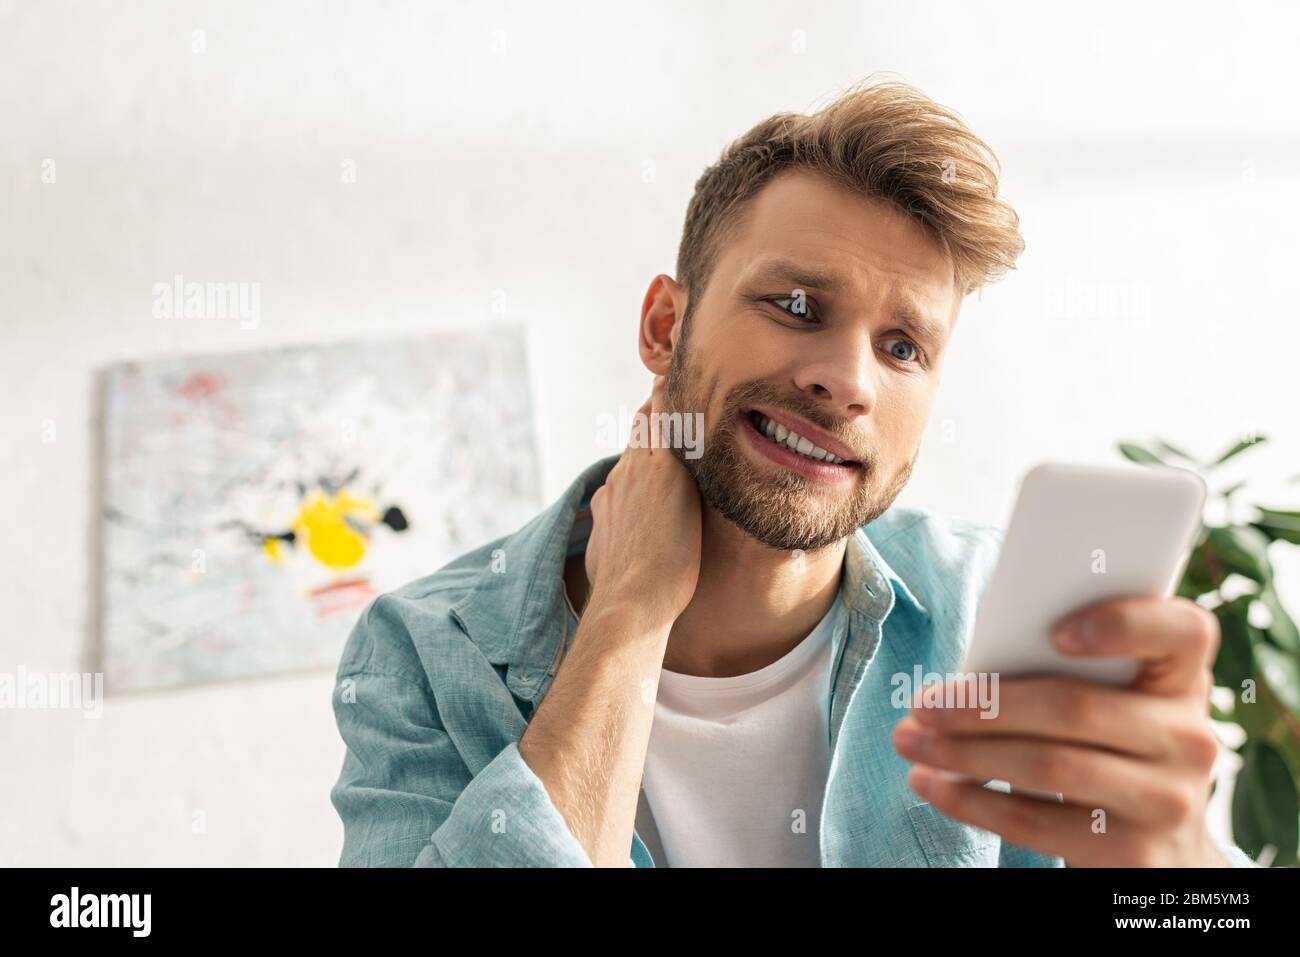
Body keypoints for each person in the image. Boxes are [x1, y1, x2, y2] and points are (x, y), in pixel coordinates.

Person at [329, 77, 1256, 868]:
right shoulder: (421, 651)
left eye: (903, 346)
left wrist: (1178, 872)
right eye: (799, 304)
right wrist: (627, 617)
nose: (848, 381)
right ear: (664, 327)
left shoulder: (995, 614)